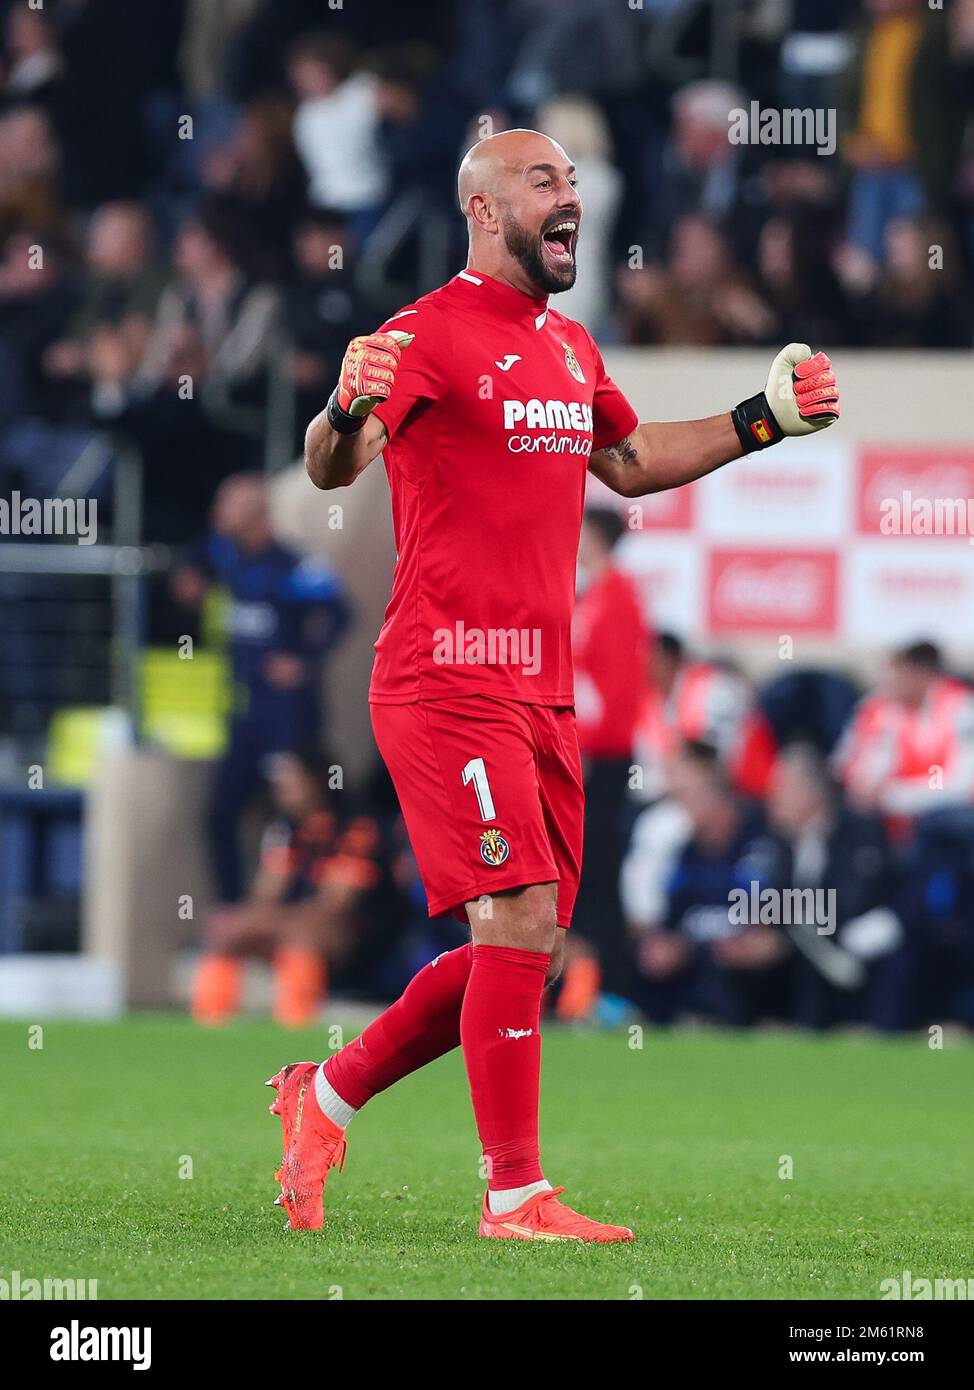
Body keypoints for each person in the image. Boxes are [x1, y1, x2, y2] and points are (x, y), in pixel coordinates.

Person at [268, 127, 841, 1242]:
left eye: (574, 182)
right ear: (485, 210)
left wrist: (760, 420)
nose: (567, 198)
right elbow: (331, 461)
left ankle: (324, 1093)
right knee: (520, 918)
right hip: (444, 678)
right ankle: (513, 1194)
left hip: (540, 691)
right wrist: (342, 408)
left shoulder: (569, 348)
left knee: (527, 948)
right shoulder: (423, 334)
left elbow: (626, 462)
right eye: (544, 182)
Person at [172, 473, 351, 903]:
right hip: (245, 717)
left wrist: (304, 661)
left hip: (288, 719)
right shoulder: (226, 557)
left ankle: (292, 919)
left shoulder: (292, 565)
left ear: (255, 515)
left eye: (228, 505)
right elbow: (192, 562)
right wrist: (190, 576)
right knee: (219, 814)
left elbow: (341, 613)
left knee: (294, 818)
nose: (218, 514)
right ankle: (232, 912)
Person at [191, 746, 383, 1029]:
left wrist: (272, 920)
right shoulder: (284, 829)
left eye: (289, 781)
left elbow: (334, 906)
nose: (280, 789)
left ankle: (294, 1027)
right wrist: (250, 921)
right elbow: (266, 895)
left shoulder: (354, 828)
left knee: (303, 935)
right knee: (227, 930)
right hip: (291, 923)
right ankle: (209, 1026)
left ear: (315, 782)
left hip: (350, 936)